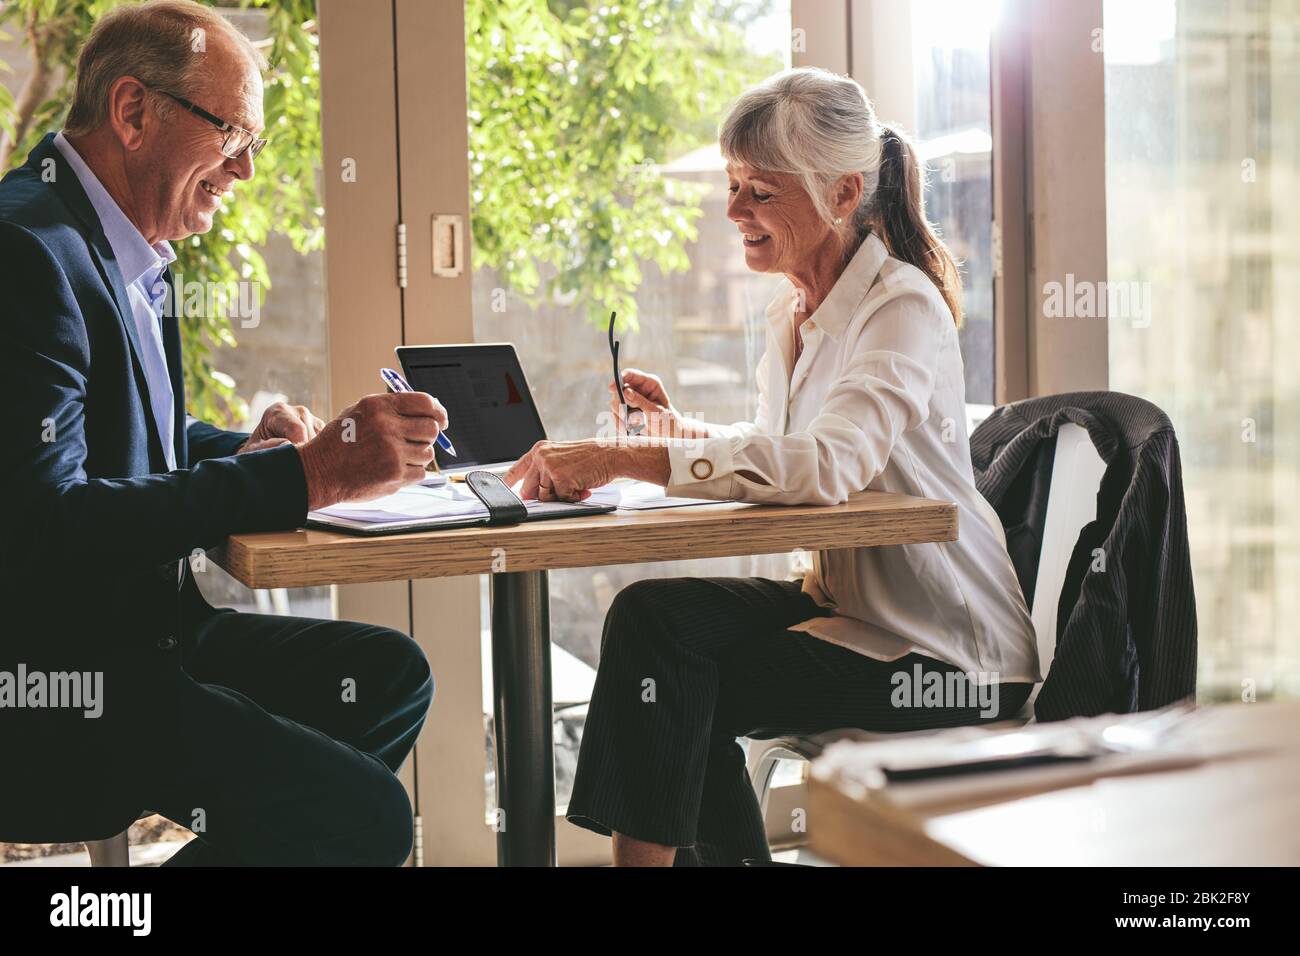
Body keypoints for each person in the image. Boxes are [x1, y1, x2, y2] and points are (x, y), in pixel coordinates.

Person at [502, 67, 1041, 866]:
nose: (733, 211)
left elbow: (824, 466)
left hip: (946, 657)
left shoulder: (902, 306)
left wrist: (627, 454)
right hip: (845, 612)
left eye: (758, 190)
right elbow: (782, 444)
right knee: (653, 622)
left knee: (689, 684)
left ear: (842, 193)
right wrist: (674, 429)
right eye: (732, 184)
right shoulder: (792, 311)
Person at [0, 0, 444, 865]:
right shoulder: (24, 249)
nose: (243, 171)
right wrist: (306, 478)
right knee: (368, 818)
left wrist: (242, 450)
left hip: (150, 636)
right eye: (231, 133)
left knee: (392, 680)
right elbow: (45, 523)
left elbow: (123, 440)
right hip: (66, 679)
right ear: (133, 112)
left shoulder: (120, 242)